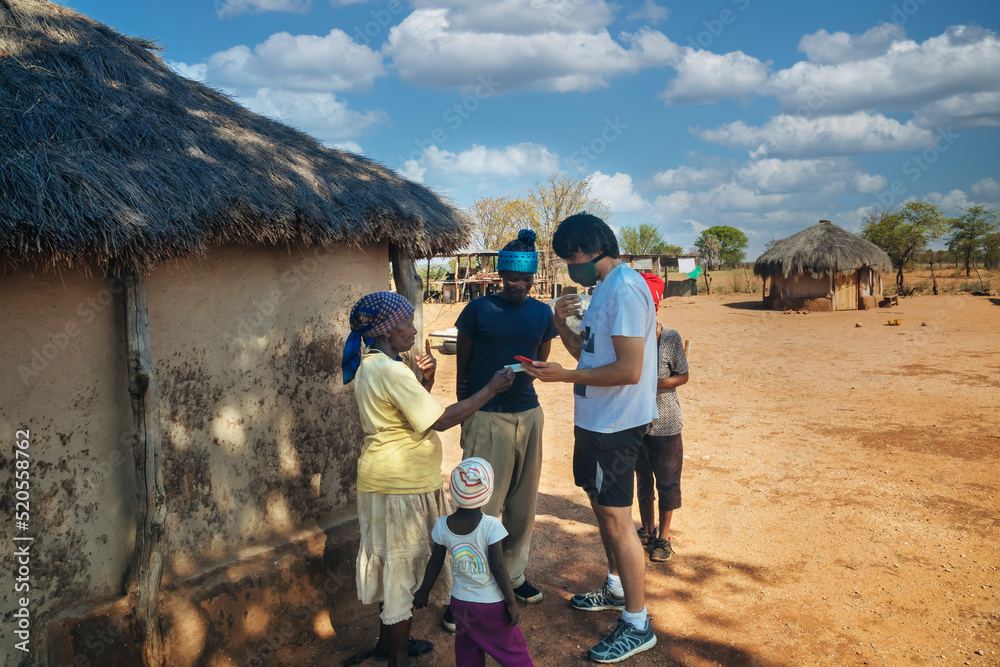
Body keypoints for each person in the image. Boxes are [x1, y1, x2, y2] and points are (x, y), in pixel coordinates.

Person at [341, 291, 514, 667]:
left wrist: (427, 381)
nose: (413, 330)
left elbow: (410, 415)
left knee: (395, 568)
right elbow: (440, 420)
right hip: (399, 484)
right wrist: (490, 389)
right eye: (407, 324)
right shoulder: (388, 369)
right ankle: (397, 659)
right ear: (387, 330)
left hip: (390, 479)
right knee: (402, 572)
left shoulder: (376, 364)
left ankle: (389, 646)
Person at [520, 213, 658, 663]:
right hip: (597, 421)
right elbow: (589, 354)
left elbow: (629, 370)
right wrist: (562, 326)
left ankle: (638, 624)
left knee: (618, 520)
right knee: (603, 511)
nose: (567, 267)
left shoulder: (623, 289)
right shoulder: (603, 292)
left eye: (567, 258)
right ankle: (617, 588)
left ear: (585, 251)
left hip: (616, 425)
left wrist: (562, 378)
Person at [451, 228, 557, 629]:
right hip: (486, 416)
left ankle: (512, 575)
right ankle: (469, 588)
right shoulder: (478, 311)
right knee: (479, 506)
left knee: (521, 502)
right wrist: (466, 405)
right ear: (500, 275)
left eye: (527, 280)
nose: (520, 286)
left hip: (528, 415)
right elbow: (464, 363)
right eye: (513, 278)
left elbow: (541, 361)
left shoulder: (541, 313)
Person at [414, 458, 535, 667]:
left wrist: (423, 591)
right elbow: (498, 567)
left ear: (453, 491)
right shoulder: (490, 526)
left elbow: (435, 561)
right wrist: (511, 602)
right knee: (514, 653)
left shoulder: (443, 526)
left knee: (468, 652)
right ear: (488, 494)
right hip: (492, 606)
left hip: (460, 604)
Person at [635, 274, 689, 562]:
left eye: (649, 306)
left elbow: (683, 375)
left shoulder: (669, 337)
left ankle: (664, 537)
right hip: (636, 423)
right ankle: (647, 529)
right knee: (643, 480)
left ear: (656, 307)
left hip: (666, 421)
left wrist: (657, 383)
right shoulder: (628, 339)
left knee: (667, 482)